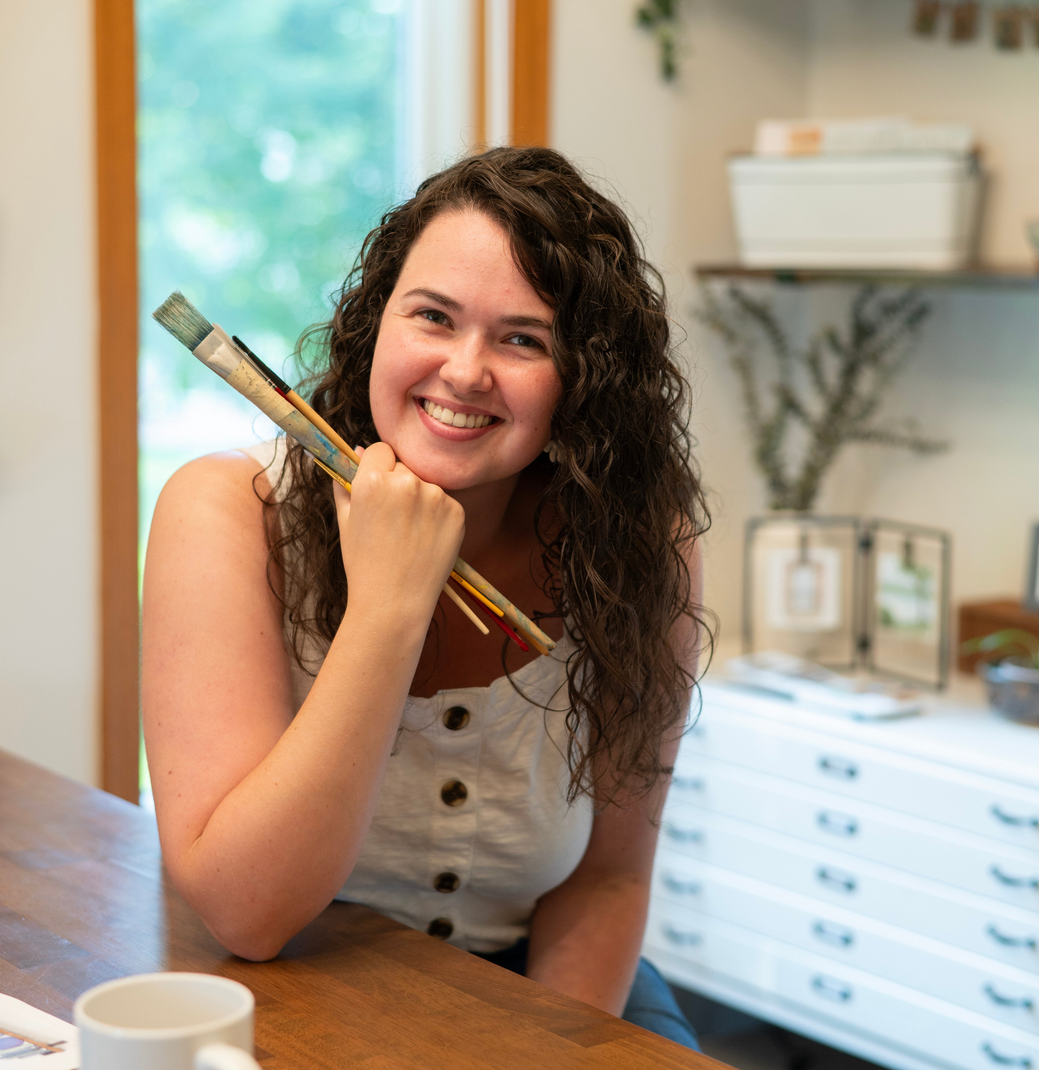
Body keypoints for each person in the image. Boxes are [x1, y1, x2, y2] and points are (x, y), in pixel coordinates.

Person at [142, 146, 712, 1049]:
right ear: (375, 327)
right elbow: (249, 916)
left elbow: (607, 881)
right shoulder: (227, 512)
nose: (465, 371)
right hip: (289, 982)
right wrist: (387, 610)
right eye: (433, 317)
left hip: (550, 998)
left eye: (523, 338)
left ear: (585, 382)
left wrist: (538, 1054)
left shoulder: (642, 550)